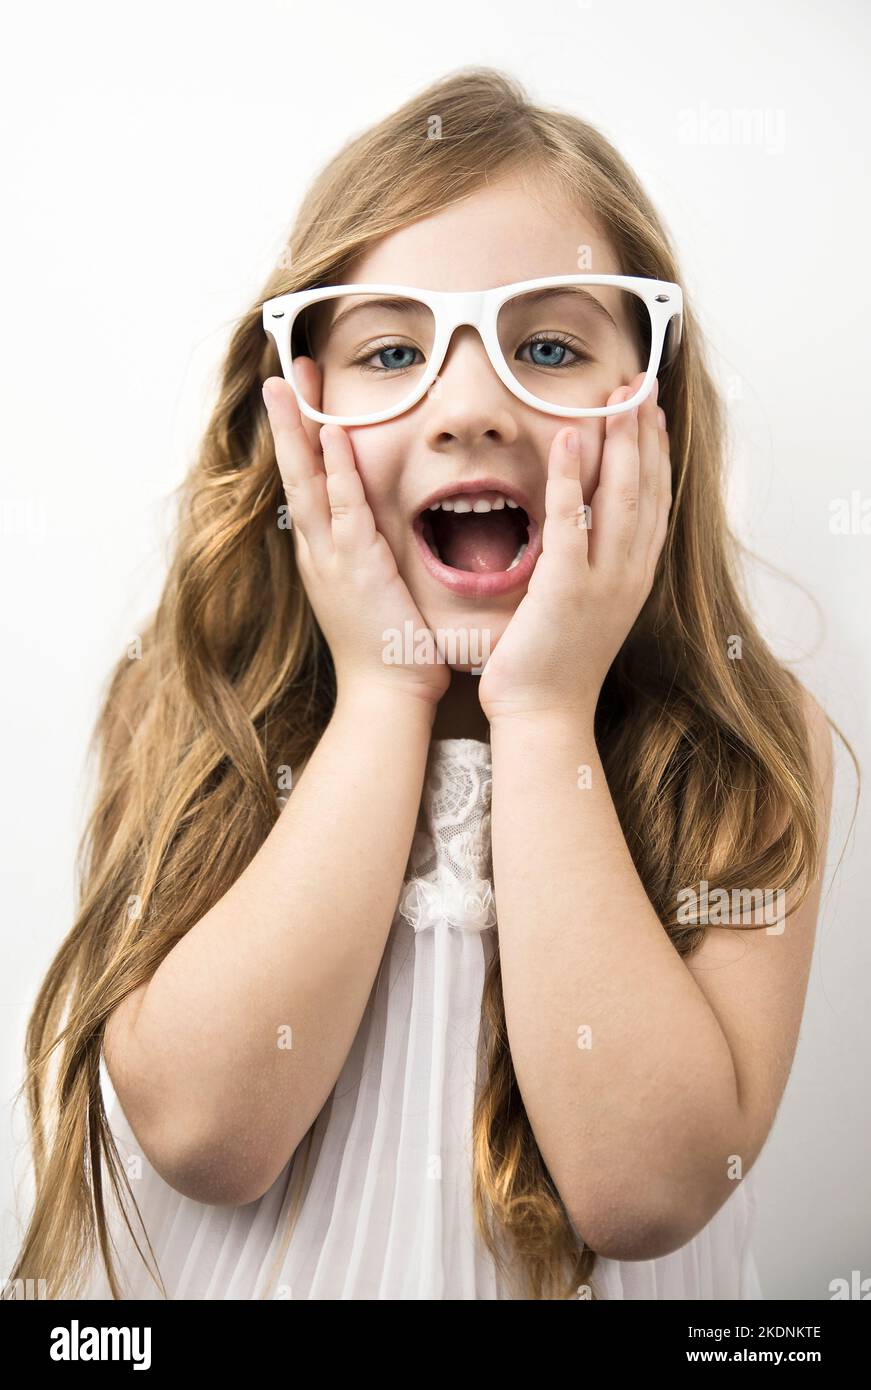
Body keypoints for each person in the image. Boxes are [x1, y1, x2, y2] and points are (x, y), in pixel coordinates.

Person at [6, 66, 847, 1301]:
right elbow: (204, 1136)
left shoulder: (744, 746)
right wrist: (385, 696)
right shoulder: (196, 706)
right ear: (295, 416)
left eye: (549, 345)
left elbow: (646, 1186)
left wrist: (546, 708)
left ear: (653, 409)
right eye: (393, 348)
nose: (468, 407)